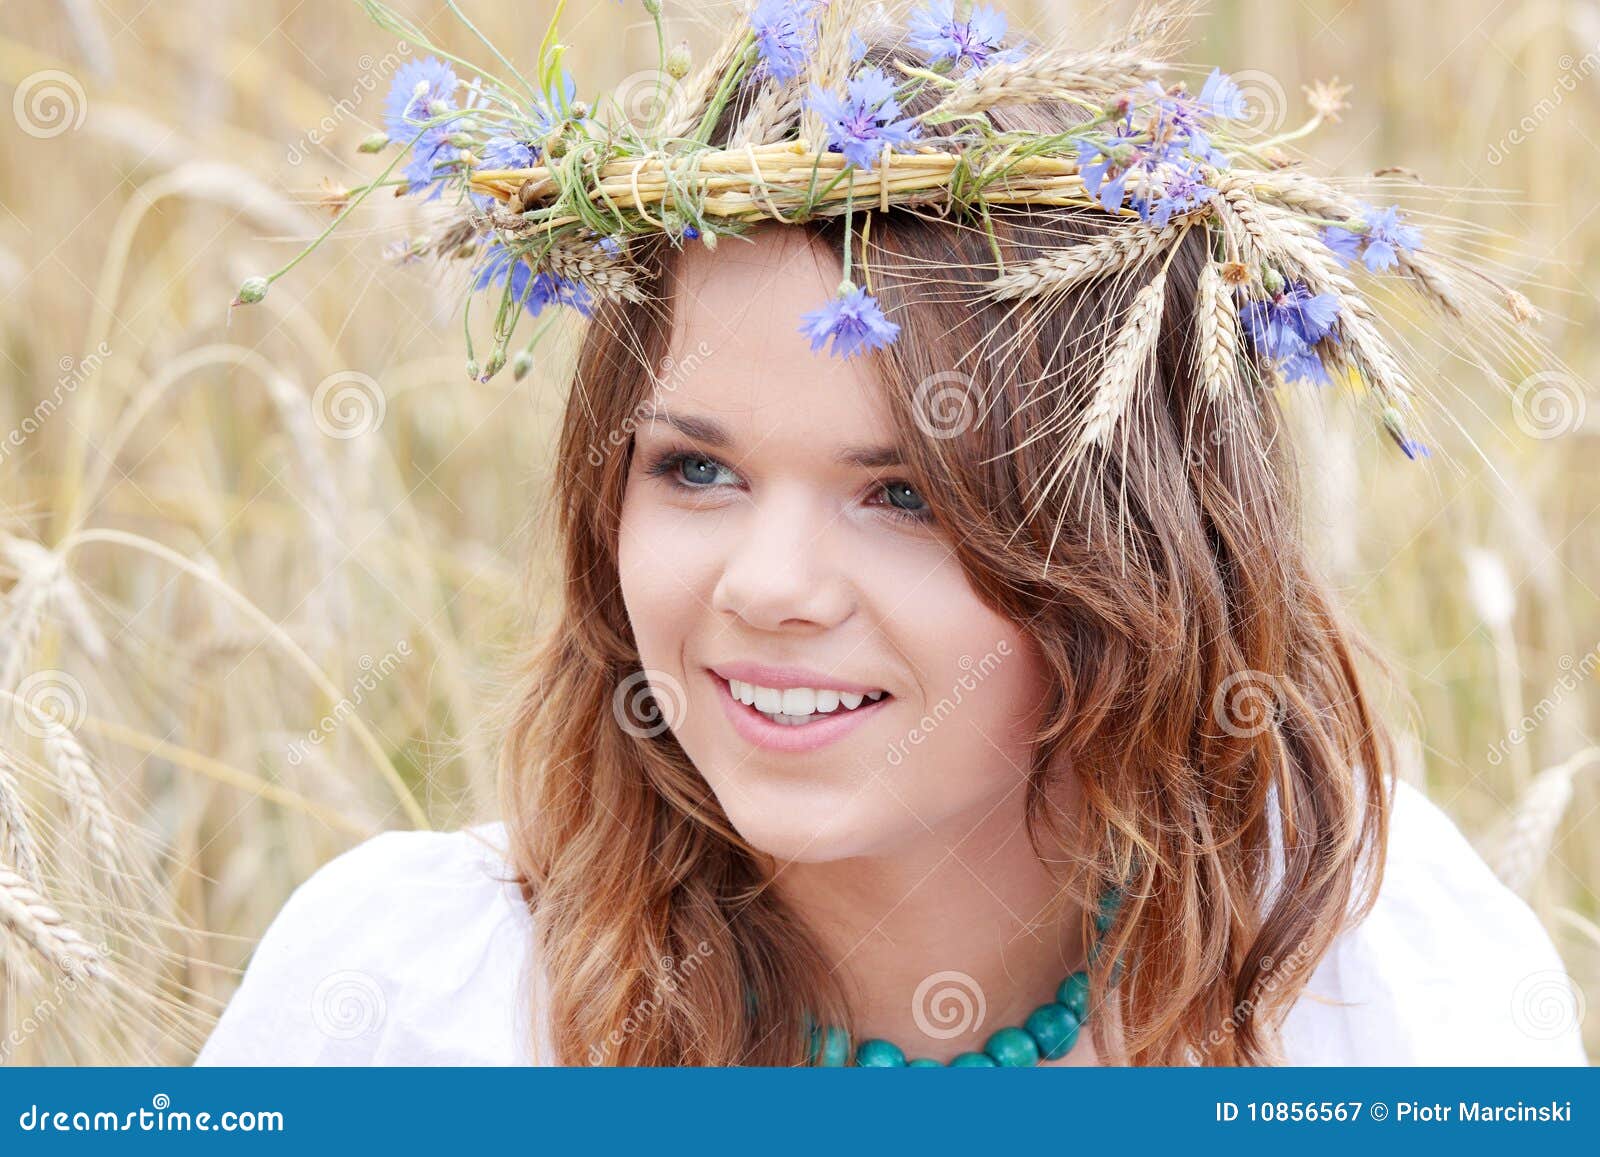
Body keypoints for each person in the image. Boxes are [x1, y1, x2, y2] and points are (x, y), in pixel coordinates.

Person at [207, 0, 1589, 1067]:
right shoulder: (409, 1002)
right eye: (696, 468)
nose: (772, 586)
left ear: (1136, 554)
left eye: (907, 494)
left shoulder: (1369, 983)